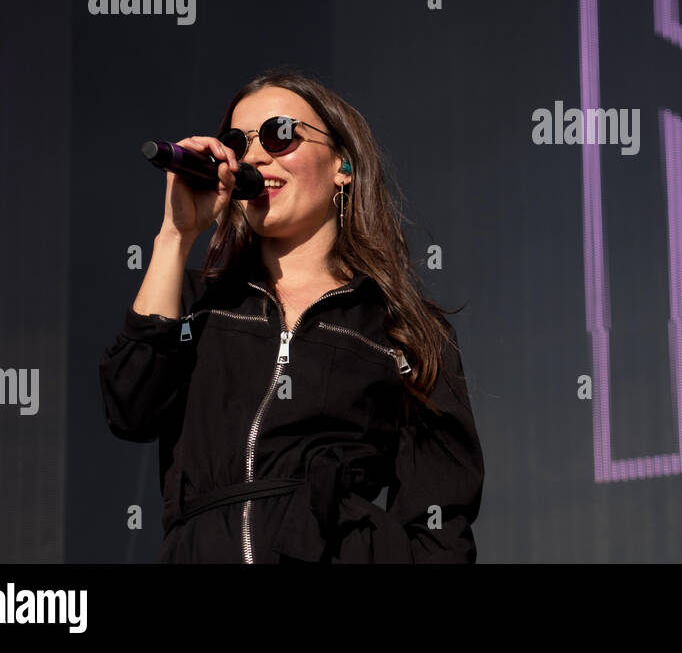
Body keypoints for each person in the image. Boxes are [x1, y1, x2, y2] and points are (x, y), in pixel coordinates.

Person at [99, 70, 484, 562]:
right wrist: (175, 236)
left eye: (281, 134)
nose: (256, 156)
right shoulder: (196, 302)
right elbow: (129, 408)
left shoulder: (400, 332)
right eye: (238, 143)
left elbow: (440, 531)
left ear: (342, 164)